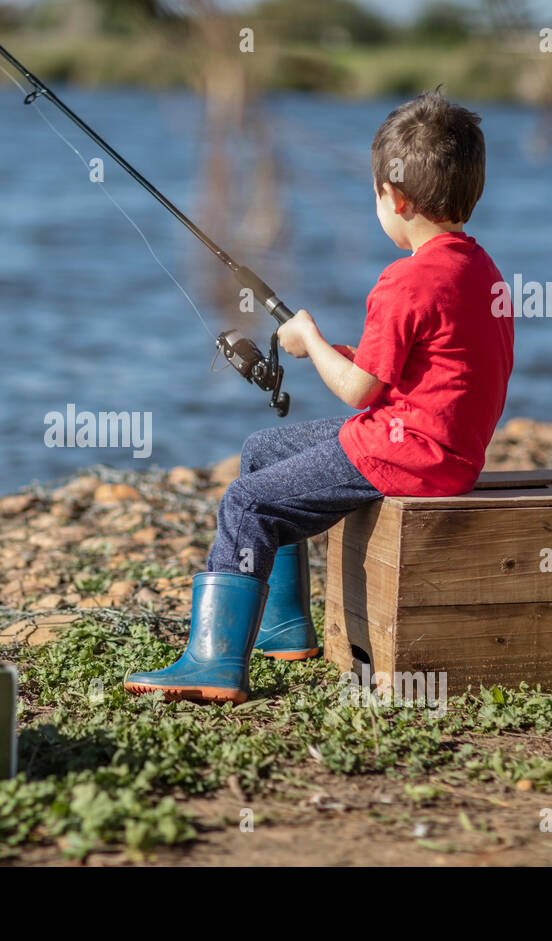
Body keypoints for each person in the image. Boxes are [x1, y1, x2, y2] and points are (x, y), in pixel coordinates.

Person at [126, 89, 515, 704]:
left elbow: (362, 394)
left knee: (246, 501)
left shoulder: (405, 279)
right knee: (264, 450)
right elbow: (417, 369)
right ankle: (283, 626)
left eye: (376, 196)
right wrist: (330, 348)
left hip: (404, 451)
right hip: (445, 447)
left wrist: (308, 337)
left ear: (397, 199)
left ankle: (214, 662)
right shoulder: (481, 270)